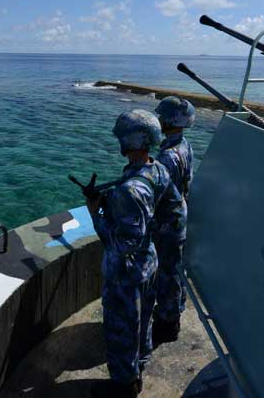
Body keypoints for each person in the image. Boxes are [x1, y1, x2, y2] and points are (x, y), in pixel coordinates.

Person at [83, 109, 177, 398]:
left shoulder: (130, 190)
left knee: (121, 330)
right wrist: (116, 202)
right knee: (144, 320)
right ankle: (139, 367)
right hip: (149, 263)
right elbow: (164, 206)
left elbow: (123, 243)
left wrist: (96, 212)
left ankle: (124, 386)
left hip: (126, 274)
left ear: (132, 140)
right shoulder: (157, 169)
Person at [151, 96, 194, 345]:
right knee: (177, 268)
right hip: (181, 212)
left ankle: (168, 324)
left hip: (168, 220)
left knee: (167, 273)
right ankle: (177, 307)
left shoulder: (167, 157)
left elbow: (159, 192)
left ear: (170, 120)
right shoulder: (184, 145)